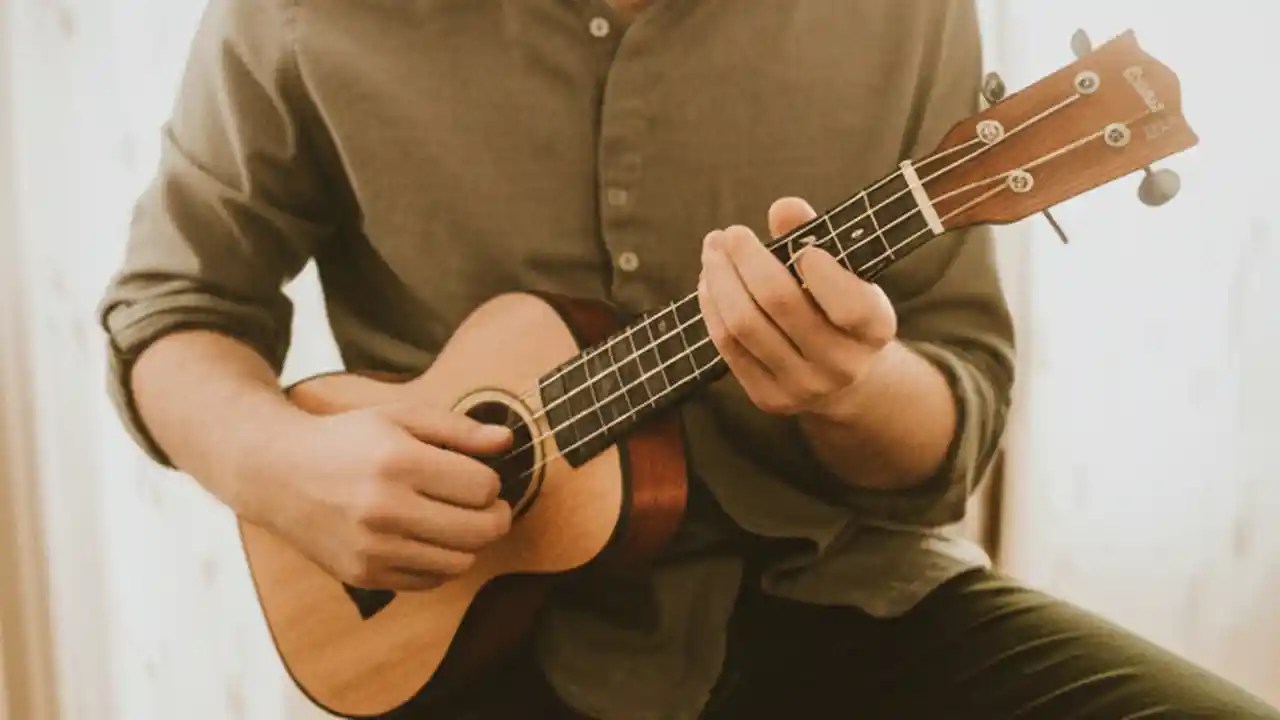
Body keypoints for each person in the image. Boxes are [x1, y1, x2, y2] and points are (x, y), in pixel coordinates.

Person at [98, 1, 1278, 718]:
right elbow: (173, 300)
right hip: (462, 648)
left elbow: (949, 415)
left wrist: (854, 391)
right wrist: (278, 466)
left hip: (833, 595)